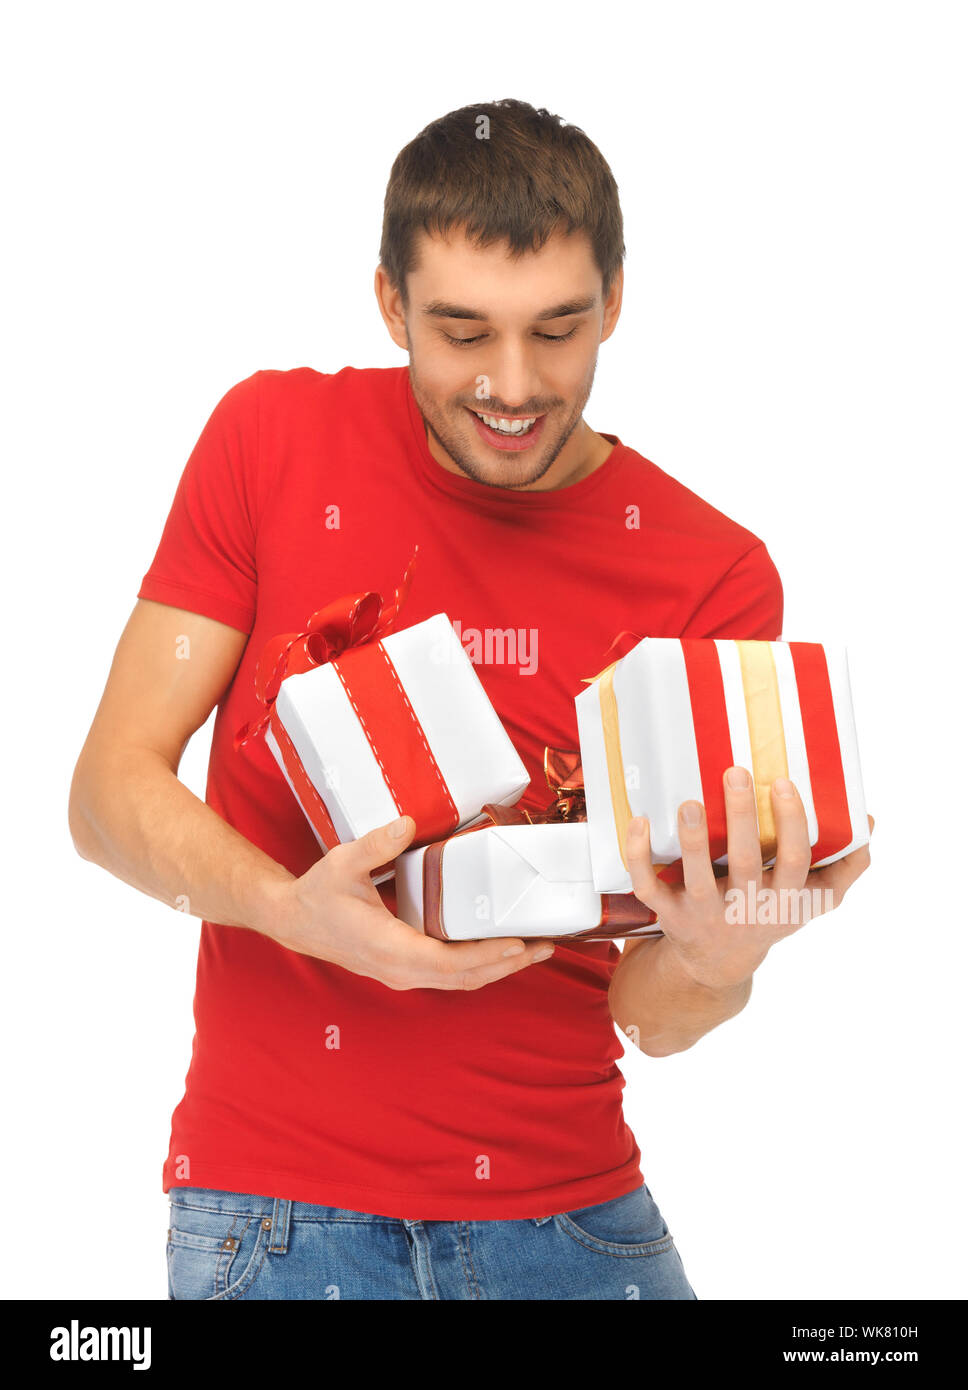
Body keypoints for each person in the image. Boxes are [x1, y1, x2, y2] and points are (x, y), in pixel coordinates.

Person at [68, 97, 873, 1301]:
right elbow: (107, 793)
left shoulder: (707, 570)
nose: (512, 385)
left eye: (558, 329)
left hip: (580, 1222)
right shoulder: (269, 440)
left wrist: (717, 957)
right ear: (389, 305)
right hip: (279, 1217)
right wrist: (293, 911)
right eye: (460, 332)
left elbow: (649, 1011)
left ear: (614, 301)